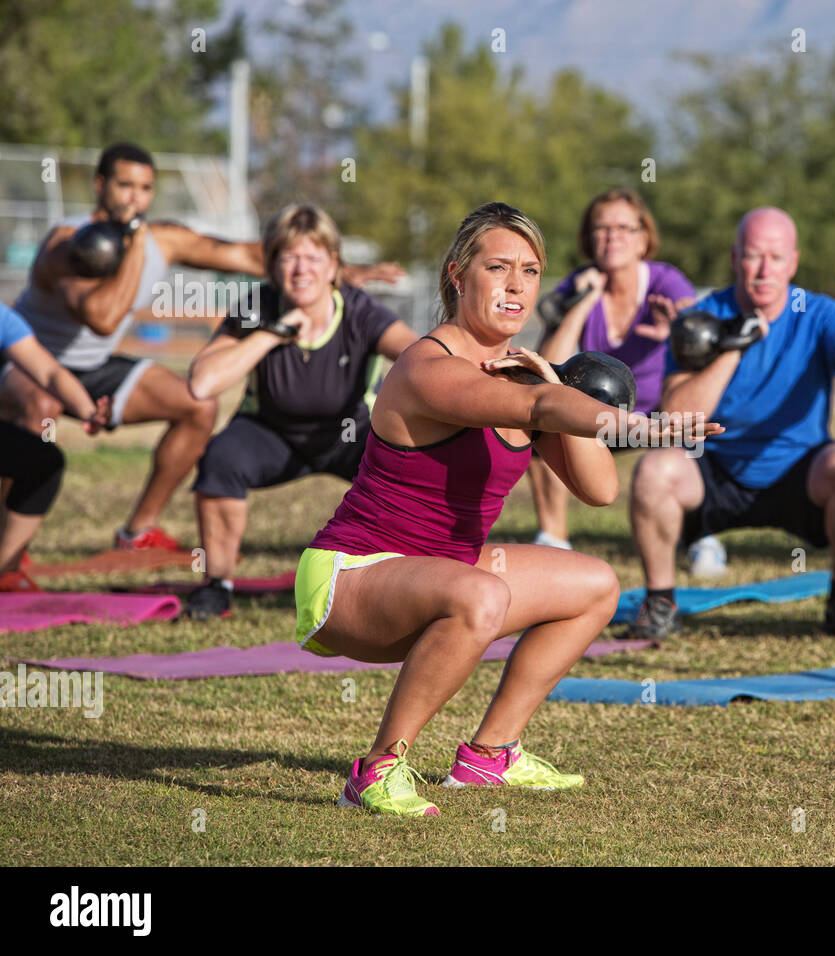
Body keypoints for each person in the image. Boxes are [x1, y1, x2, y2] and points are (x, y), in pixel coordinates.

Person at [293, 203, 718, 816]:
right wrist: (641, 425)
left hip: (446, 571)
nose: (517, 285)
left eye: (531, 270)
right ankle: (376, 770)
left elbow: (598, 490)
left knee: (597, 585)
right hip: (350, 577)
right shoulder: (426, 366)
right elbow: (537, 411)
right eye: (499, 267)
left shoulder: (526, 383)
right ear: (459, 276)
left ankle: (489, 756)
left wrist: (558, 389)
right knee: (479, 596)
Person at [1, 142, 399, 552]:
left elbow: (245, 254)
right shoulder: (66, 243)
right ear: (100, 185)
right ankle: (12, 547)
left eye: (145, 188)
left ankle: (136, 533)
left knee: (197, 405)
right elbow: (102, 318)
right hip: (28, 365)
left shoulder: (163, 239)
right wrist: (137, 241)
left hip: (95, 365)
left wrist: (331, 268)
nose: (135, 198)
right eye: (124, 185)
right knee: (41, 407)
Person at [626, 207, 835, 640]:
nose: (764, 270)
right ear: (734, 259)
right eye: (753, 256)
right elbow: (676, 417)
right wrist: (733, 347)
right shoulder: (701, 316)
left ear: (794, 261)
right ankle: (659, 605)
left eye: (776, 257)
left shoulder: (817, 312)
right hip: (715, 470)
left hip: (797, 473)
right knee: (655, 469)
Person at [183, 204, 419, 619]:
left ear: (333, 266)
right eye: (288, 258)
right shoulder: (258, 307)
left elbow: (420, 358)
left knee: (410, 465)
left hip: (348, 433)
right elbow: (202, 382)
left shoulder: (359, 309)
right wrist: (271, 334)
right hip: (270, 434)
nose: (300, 270)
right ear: (272, 266)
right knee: (220, 458)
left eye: (313, 258)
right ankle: (216, 586)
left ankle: (409, 580)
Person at [526, 189, 728, 576]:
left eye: (623, 228)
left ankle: (703, 534)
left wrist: (678, 330)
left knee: (691, 425)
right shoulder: (579, 286)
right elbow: (548, 368)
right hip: (599, 415)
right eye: (601, 229)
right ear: (589, 238)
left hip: (654, 414)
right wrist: (585, 301)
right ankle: (554, 540)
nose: (612, 237)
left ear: (643, 237)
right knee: (543, 425)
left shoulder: (664, 280)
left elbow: (696, 323)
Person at [0, 303, 111, 591]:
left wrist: (88, 411)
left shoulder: (4, 319)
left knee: (43, 461)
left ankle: (5, 570)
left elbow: (49, 372)